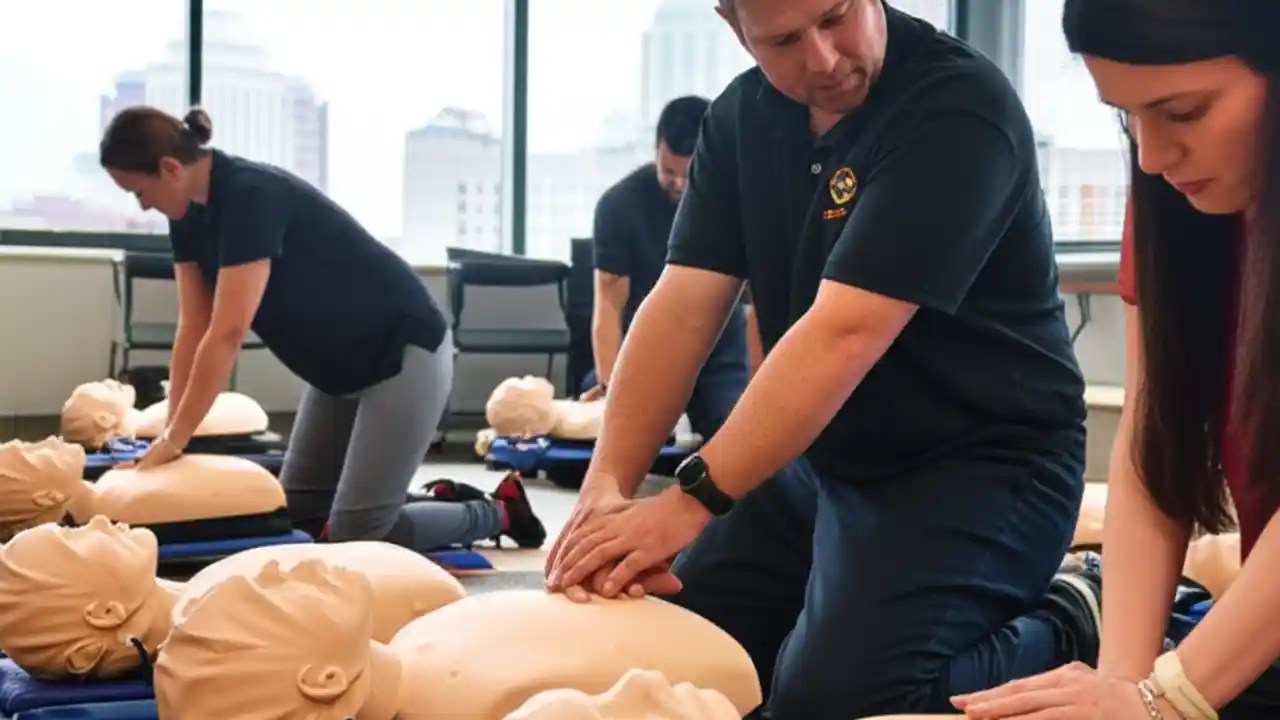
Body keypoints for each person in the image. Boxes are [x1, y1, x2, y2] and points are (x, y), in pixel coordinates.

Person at [544, 1, 1102, 717]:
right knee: (685, 647)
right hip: (824, 456)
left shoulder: (957, 109)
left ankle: (1071, 612)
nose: (824, 58)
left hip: (982, 462)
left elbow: (846, 332)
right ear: (732, 26)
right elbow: (683, 306)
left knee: (833, 704)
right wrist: (606, 489)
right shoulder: (741, 120)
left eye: (837, 16)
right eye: (782, 40)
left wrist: (690, 503)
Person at [951, 1, 1280, 719]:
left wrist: (1166, 700)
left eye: (1185, 112)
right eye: (1125, 116)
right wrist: (1122, 687)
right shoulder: (1176, 210)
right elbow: (1151, 437)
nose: (1152, 157)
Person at [98, 106, 546, 554]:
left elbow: (226, 332)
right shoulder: (187, 218)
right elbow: (192, 328)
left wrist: (177, 440)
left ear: (170, 169)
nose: (142, 205)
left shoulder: (248, 197)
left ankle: (498, 511)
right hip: (336, 370)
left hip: (402, 354)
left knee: (359, 533)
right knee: (301, 515)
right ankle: (426, 503)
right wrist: (171, 436)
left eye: (139, 192)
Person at [582, 95, 750, 440]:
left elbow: (759, 304)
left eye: (689, 175)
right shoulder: (619, 205)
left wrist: (762, 389)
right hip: (643, 351)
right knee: (606, 436)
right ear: (657, 149)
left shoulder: (741, 200)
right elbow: (609, 302)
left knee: (742, 445)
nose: (678, 184)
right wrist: (608, 384)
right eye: (668, 171)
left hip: (719, 357)